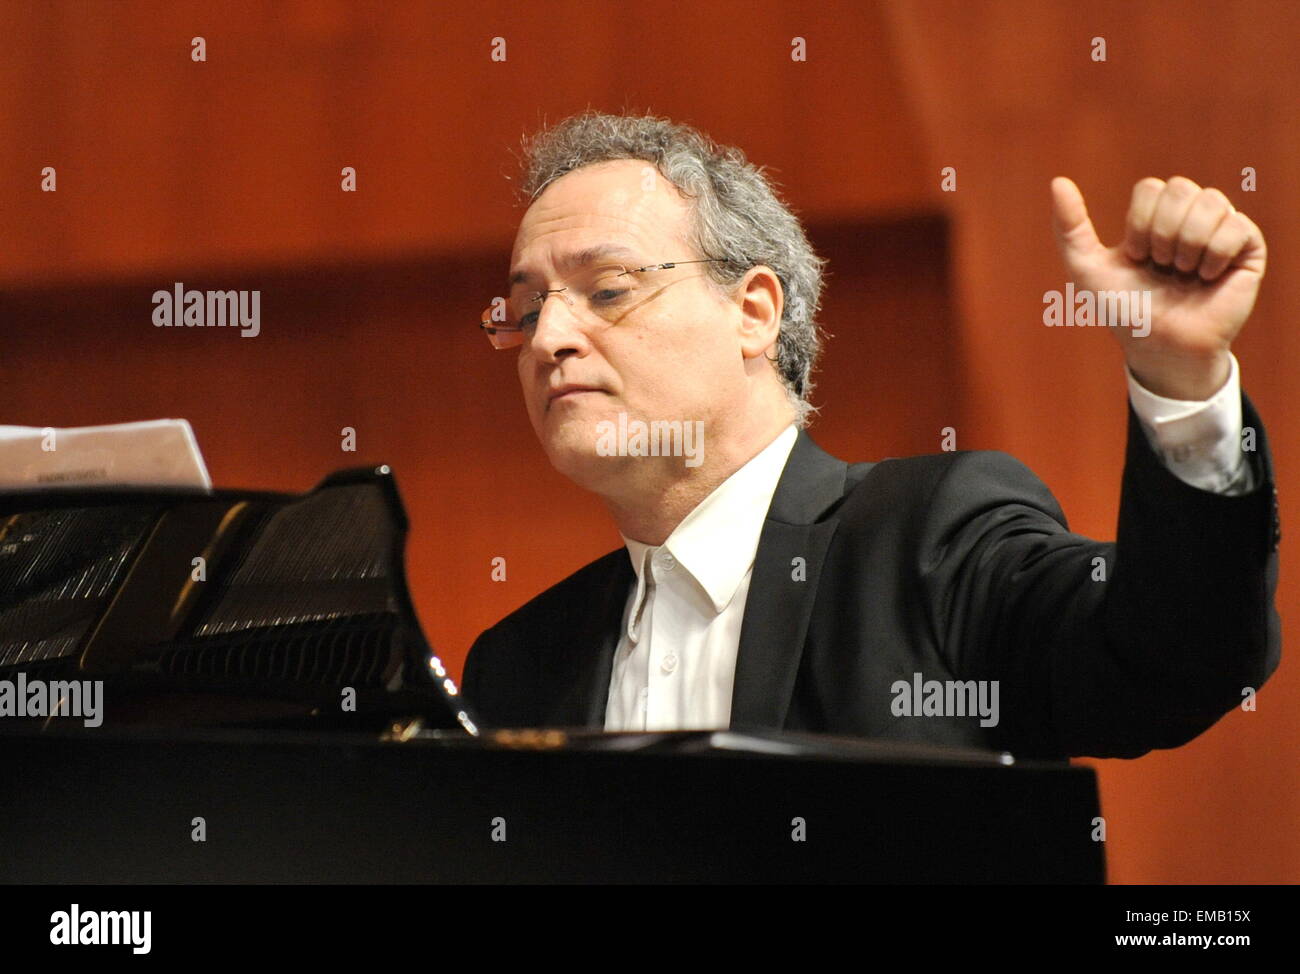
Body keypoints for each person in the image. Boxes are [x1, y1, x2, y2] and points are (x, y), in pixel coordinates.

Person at [462, 111, 1280, 759]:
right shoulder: (519, 664)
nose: (547, 339)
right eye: (527, 307)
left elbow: (1176, 659)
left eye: (606, 289)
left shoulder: (932, 541)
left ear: (754, 313)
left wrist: (1183, 385)